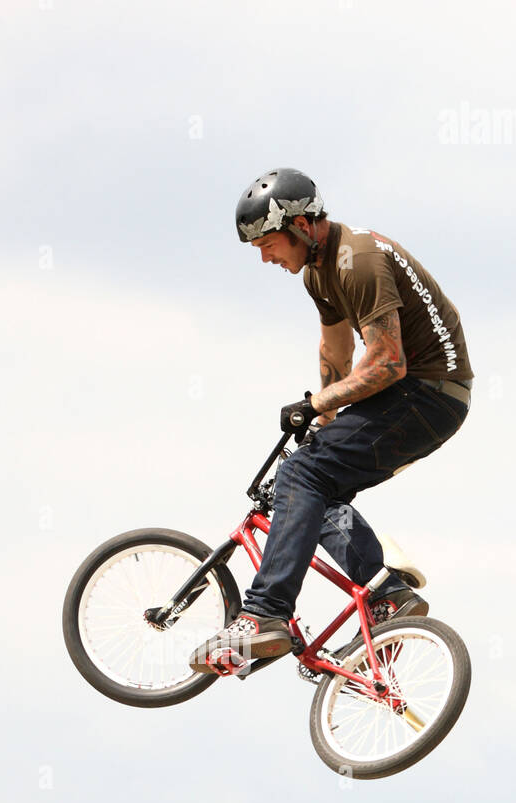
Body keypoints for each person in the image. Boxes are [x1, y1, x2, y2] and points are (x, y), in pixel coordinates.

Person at [189, 167, 473, 674]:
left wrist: (316, 406)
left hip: (427, 394)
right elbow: (337, 348)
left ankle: (265, 615)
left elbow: (388, 361)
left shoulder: (356, 262)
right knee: (305, 485)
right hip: (413, 395)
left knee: (301, 475)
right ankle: (388, 597)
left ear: (301, 224)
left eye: (269, 243)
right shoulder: (321, 271)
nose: (265, 257)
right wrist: (324, 414)